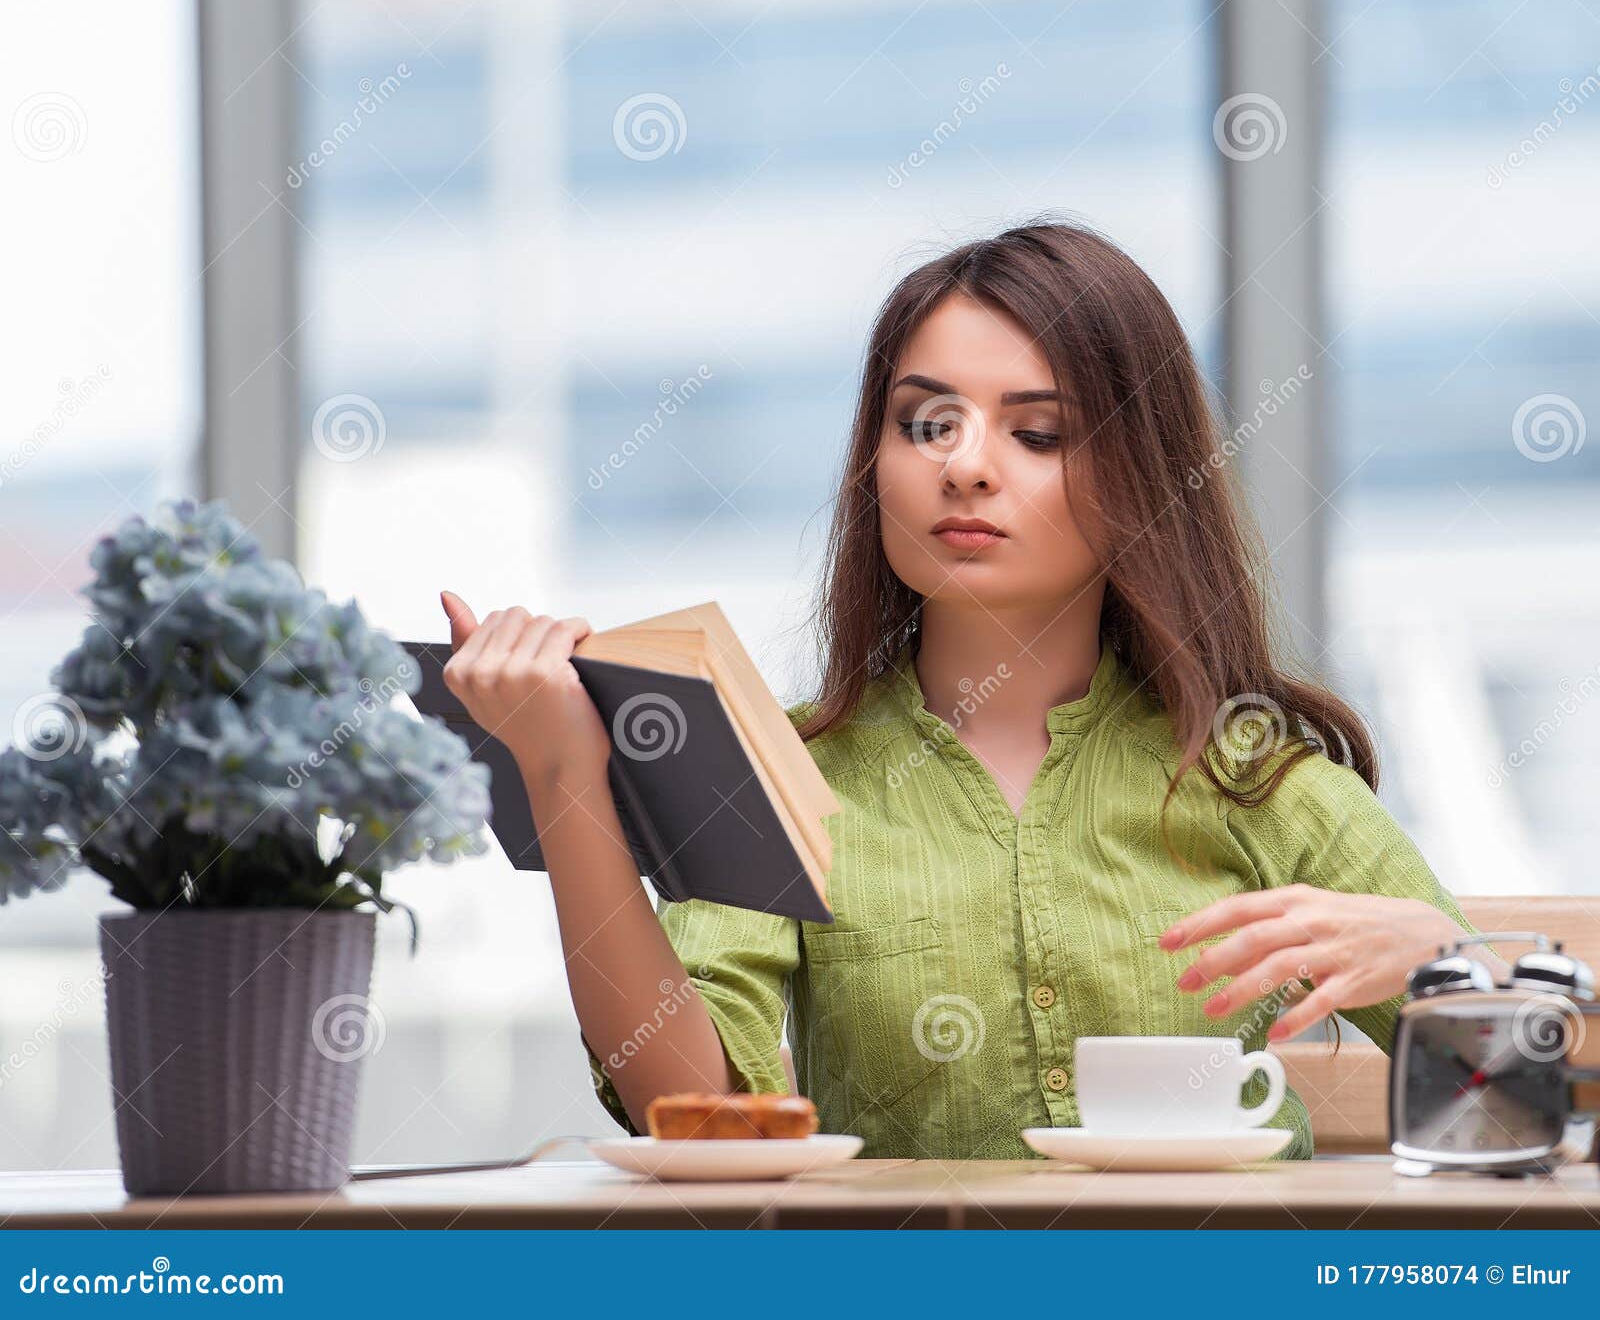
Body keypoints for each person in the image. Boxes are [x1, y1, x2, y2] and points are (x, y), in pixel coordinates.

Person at [439, 220, 1490, 1161]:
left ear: (1141, 473)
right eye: (924, 423)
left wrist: (1444, 962)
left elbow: (1520, 1103)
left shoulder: (1258, 777)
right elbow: (688, 1099)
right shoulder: (781, 773)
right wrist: (563, 773)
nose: (964, 465)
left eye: (1035, 433)